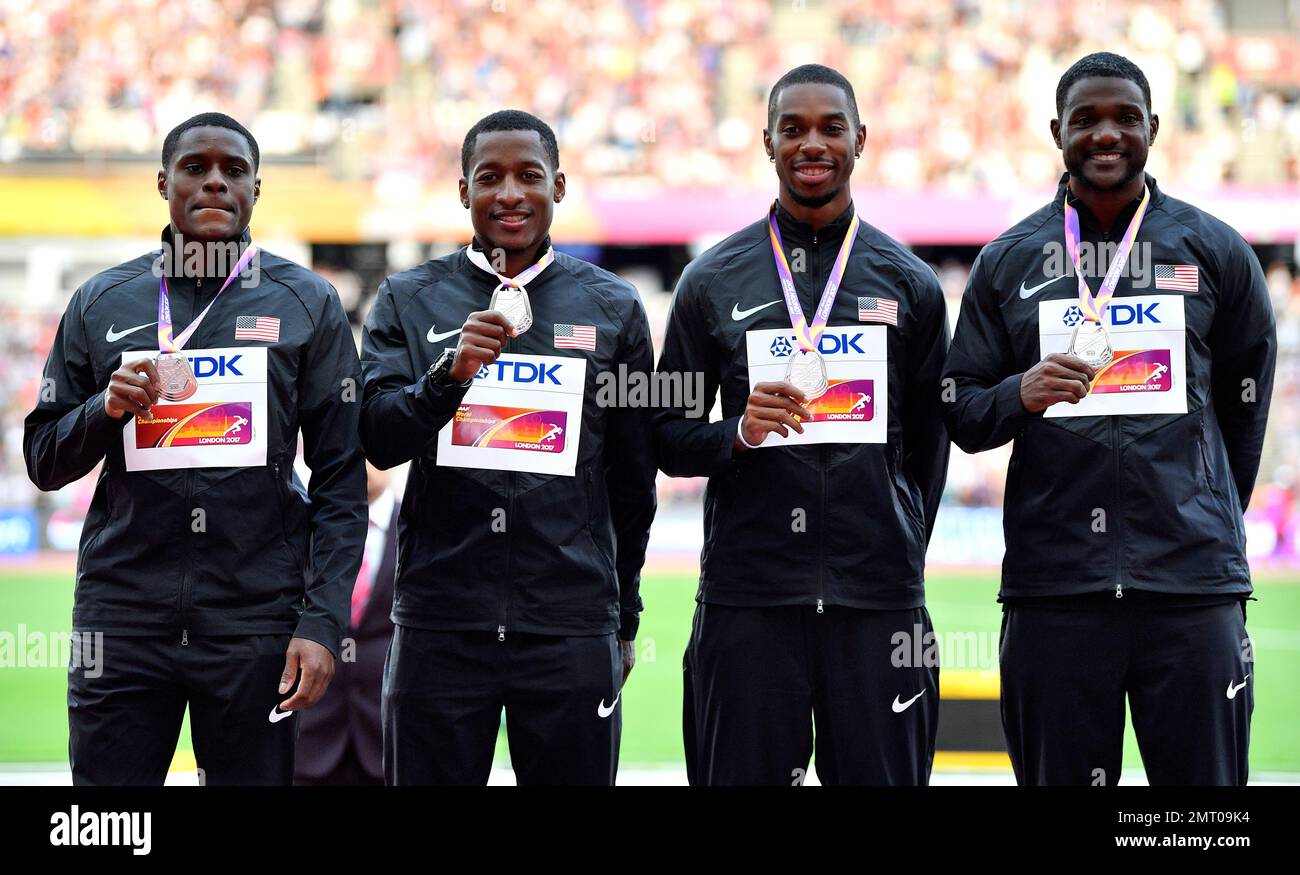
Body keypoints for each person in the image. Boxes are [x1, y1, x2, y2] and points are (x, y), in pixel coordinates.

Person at [942, 52, 1276, 785]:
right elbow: (959, 412)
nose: (1106, 134)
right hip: (1054, 591)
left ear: (1153, 127)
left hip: (1192, 591)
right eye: (1086, 119)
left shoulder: (1215, 250)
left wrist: (1203, 509)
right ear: (1055, 130)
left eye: (1125, 117)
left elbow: (1244, 407)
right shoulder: (1007, 261)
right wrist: (1017, 394)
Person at [23, 112, 367, 785]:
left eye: (233, 170)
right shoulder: (101, 301)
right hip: (122, 616)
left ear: (256, 190)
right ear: (163, 182)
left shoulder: (307, 303)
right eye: (195, 168)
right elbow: (43, 458)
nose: (215, 182)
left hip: (256, 619)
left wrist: (321, 621)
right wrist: (105, 408)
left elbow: (340, 482)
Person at [653, 65, 950, 785]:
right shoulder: (711, 281)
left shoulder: (909, 283)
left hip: (878, 607)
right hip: (747, 603)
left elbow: (931, 447)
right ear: (767, 142)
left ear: (860, 140)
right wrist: (735, 433)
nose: (811, 143)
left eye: (829, 128)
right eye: (793, 129)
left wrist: (897, 545)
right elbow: (664, 436)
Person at [360, 110, 656, 785]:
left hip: (570, 625)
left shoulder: (613, 307)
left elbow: (633, 478)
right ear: (464, 191)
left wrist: (623, 615)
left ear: (559, 186)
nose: (511, 193)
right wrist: (447, 379)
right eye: (489, 177)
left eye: (529, 176)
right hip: (439, 622)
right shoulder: (408, 298)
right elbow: (376, 435)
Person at [295, 462, 399, 785]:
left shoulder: (418, 529)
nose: (364, 463)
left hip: (385, 744)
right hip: (309, 740)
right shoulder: (302, 529)